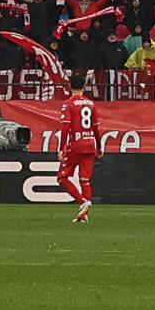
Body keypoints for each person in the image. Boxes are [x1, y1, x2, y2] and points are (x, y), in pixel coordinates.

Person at [57, 85, 101, 222]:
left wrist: (61, 147)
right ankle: (84, 213)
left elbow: (65, 127)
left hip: (76, 144)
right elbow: (95, 127)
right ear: (84, 87)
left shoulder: (68, 104)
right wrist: (99, 146)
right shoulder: (90, 103)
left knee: (62, 178)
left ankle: (82, 201)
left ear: (70, 87)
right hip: (90, 144)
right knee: (85, 180)